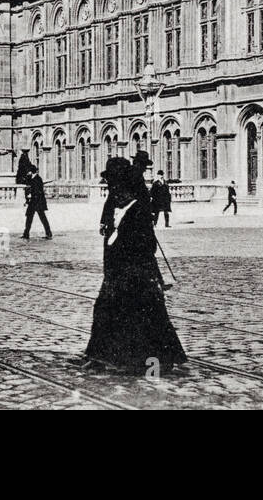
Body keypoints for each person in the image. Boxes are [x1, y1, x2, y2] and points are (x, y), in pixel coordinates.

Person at [83, 157, 187, 374]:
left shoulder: (137, 210)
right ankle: (101, 357)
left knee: (144, 317)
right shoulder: (118, 208)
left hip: (136, 274)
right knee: (109, 312)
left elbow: (147, 245)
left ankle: (159, 359)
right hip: (117, 273)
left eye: (116, 187)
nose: (113, 192)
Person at [22, 165, 52, 240]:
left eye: (28, 171)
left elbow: (38, 191)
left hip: (38, 202)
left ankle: (48, 233)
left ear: (31, 171)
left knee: (42, 218)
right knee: (29, 217)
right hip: (34, 201)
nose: (27, 172)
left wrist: (31, 196)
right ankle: (26, 234)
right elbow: (25, 182)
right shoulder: (32, 178)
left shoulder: (38, 179)